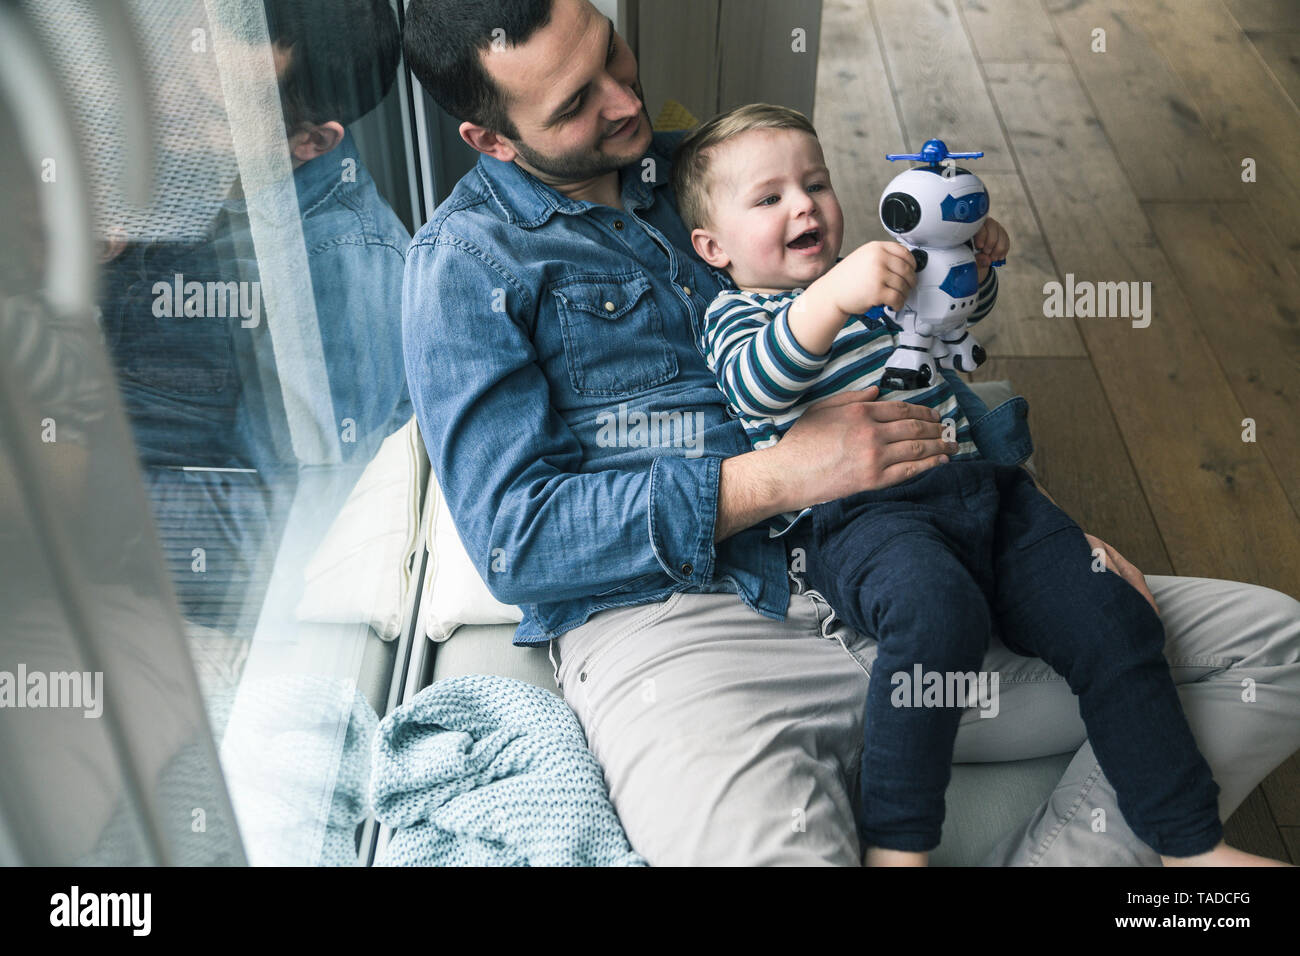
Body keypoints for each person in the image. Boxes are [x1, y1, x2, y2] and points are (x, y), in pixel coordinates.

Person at [400, 0, 1300, 865]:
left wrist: (1035, 530)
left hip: (920, 558)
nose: (627, 102)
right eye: (576, 103)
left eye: (610, 53)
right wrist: (781, 477)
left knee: (1272, 649)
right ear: (491, 139)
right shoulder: (464, 266)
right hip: (689, 629)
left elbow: (896, 354)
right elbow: (519, 540)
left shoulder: (718, 171)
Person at [677, 102, 1287, 866]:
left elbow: (952, 315)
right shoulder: (738, 314)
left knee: (1114, 615)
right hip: (864, 521)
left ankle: (1189, 844)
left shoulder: (868, 280)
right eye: (769, 199)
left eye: (817, 184)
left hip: (982, 490)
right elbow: (758, 385)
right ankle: (898, 845)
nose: (804, 205)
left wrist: (973, 263)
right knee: (938, 619)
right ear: (712, 246)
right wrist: (830, 300)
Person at [99, 0, 412, 634]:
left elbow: (252, 544)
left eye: (212, 113)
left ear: (307, 144)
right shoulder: (187, 169)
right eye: (181, 69)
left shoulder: (343, 276)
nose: (158, 107)